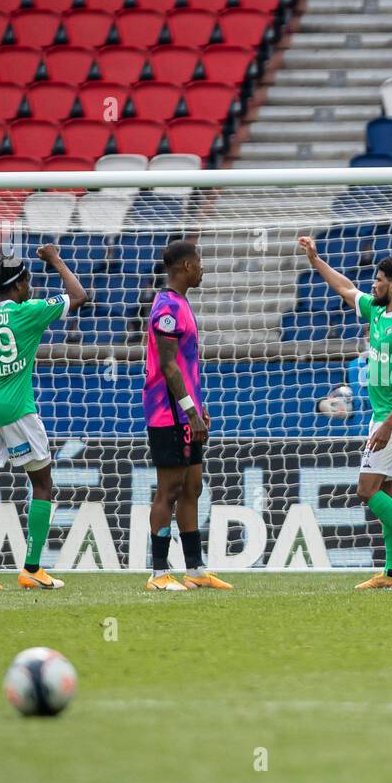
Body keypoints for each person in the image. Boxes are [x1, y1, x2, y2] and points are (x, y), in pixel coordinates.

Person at [299, 235, 392, 589]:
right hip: (385, 417)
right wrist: (316, 261)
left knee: (365, 490)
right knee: (389, 491)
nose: (372, 283)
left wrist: (390, 423)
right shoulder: (377, 310)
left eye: (377, 278)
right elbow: (345, 288)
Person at [0, 246, 88, 591]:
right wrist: (56, 259)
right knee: (43, 484)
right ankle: (31, 568)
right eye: (28, 280)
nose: (31, 286)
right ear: (17, 286)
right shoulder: (28, 311)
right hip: (18, 410)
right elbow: (79, 296)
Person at [143, 239, 231, 592]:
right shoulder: (166, 306)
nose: (203, 268)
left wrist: (198, 405)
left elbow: (184, 365)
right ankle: (158, 574)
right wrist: (189, 410)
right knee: (170, 489)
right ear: (185, 267)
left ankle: (194, 569)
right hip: (168, 414)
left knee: (193, 487)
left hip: (186, 410)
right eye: (199, 262)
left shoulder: (181, 304)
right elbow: (166, 365)